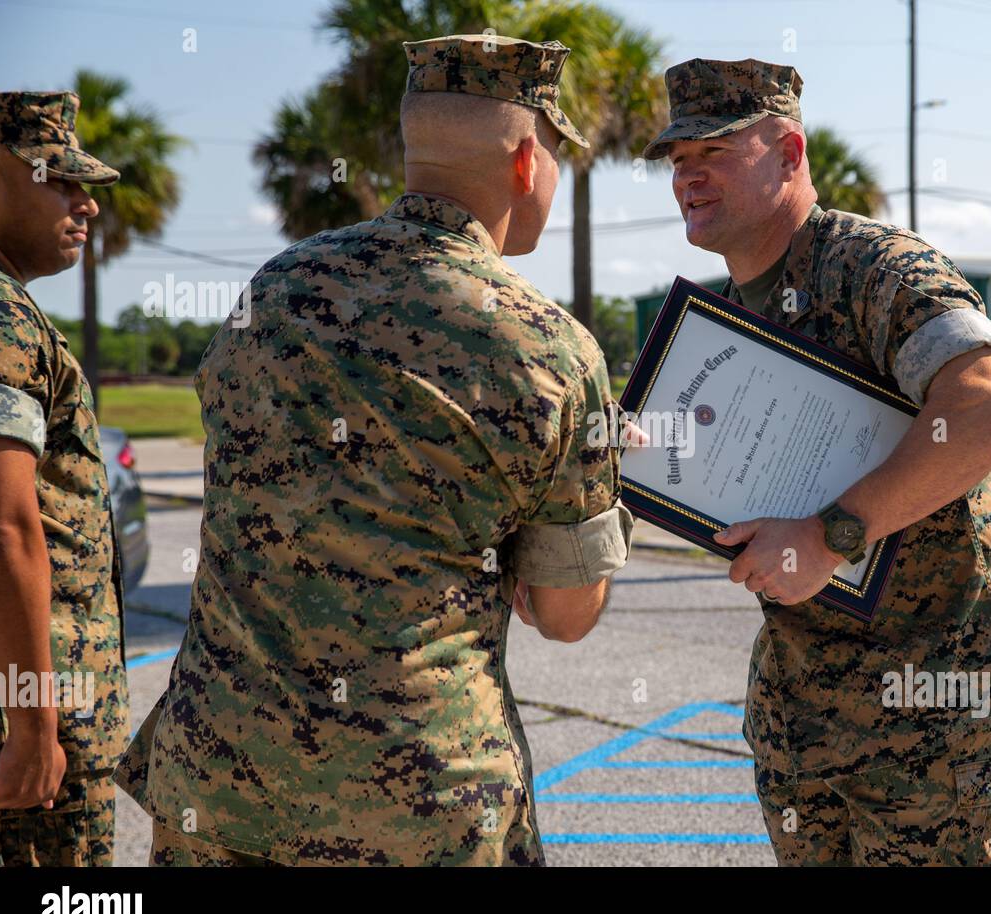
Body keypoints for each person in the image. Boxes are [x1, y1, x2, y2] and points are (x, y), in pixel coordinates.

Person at [115, 35, 633, 866]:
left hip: (217, 781)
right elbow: (568, 614)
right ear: (529, 160)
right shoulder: (552, 350)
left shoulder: (274, 289)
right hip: (419, 809)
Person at [643, 58, 991, 866]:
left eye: (714, 154)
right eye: (678, 163)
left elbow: (985, 409)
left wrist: (831, 537)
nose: (689, 179)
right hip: (805, 724)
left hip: (935, 731)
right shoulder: (720, 322)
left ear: (790, 152)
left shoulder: (879, 268)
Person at [0, 90, 129, 867]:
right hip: (29, 722)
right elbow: (4, 525)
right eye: (58, 179)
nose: (85, 205)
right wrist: (34, 725)